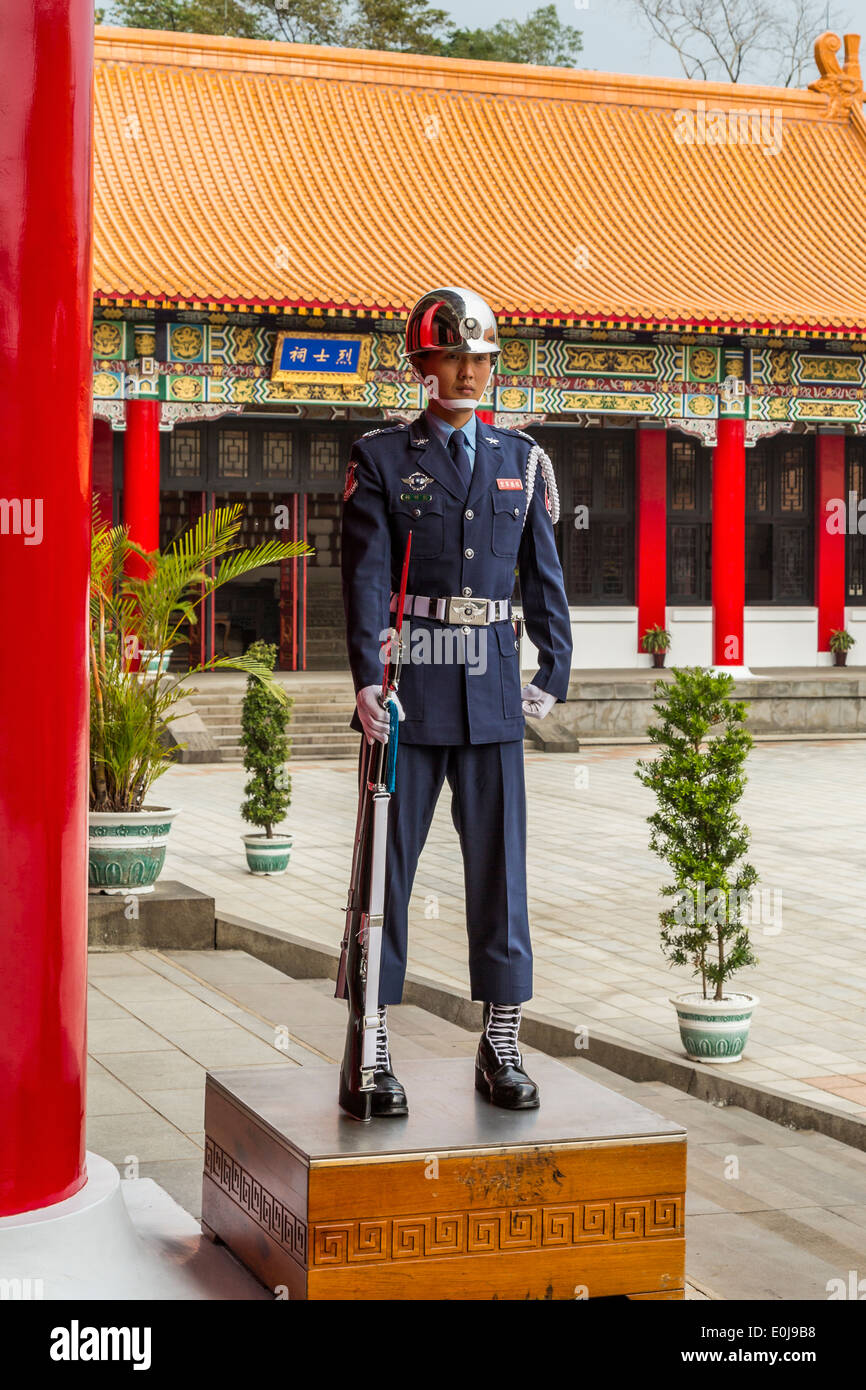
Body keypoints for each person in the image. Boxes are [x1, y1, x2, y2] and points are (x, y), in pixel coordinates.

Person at [340, 286, 572, 1115]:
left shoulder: (522, 459)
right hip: (409, 692)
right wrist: (368, 678)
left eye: (479, 357)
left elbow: (541, 576)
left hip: (493, 690)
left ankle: (501, 1039)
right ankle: (371, 1045)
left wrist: (556, 668)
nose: (467, 370)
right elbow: (366, 577)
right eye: (452, 356)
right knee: (386, 878)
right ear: (422, 365)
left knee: (500, 875)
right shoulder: (382, 459)